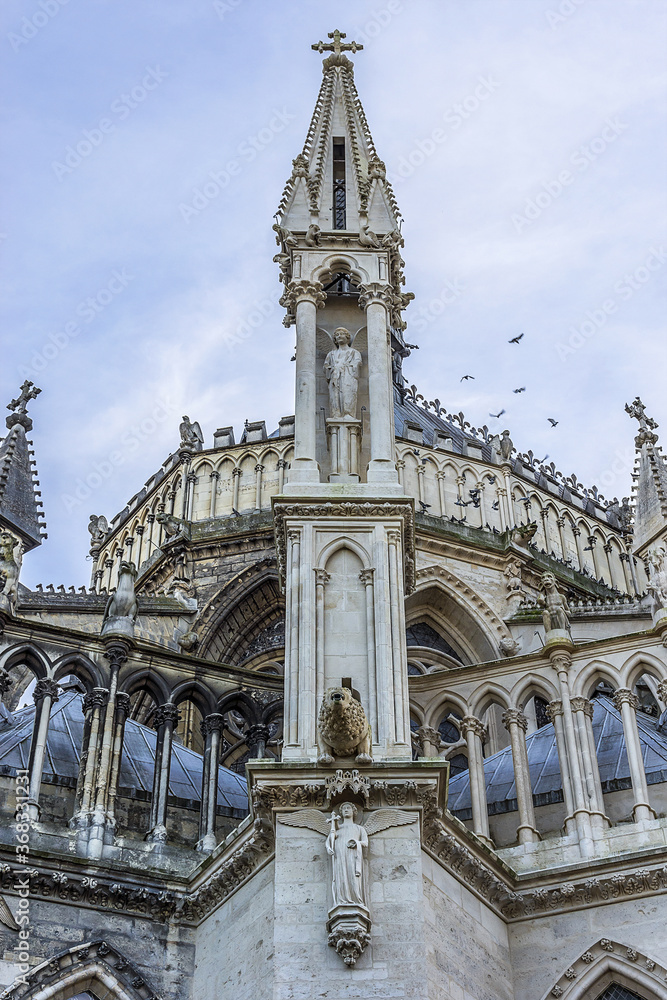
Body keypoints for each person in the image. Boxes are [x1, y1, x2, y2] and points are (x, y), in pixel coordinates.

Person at [326, 802, 368, 908]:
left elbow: (365, 843)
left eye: (348, 808)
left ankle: (356, 900)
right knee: (341, 876)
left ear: (354, 812)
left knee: (353, 877)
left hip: (353, 855)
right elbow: (329, 841)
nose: (346, 810)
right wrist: (328, 848)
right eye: (343, 808)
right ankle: (341, 900)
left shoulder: (359, 828)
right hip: (339, 855)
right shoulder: (337, 829)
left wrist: (356, 843)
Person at [324, 328, 362, 419]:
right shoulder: (331, 354)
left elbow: (357, 363)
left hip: (348, 377)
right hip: (335, 377)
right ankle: (336, 414)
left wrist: (346, 367)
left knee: (348, 394)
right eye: (337, 335)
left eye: (342, 334)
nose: (339, 336)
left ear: (347, 337)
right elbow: (326, 366)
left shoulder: (354, 352)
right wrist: (332, 369)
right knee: (334, 396)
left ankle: (348, 414)